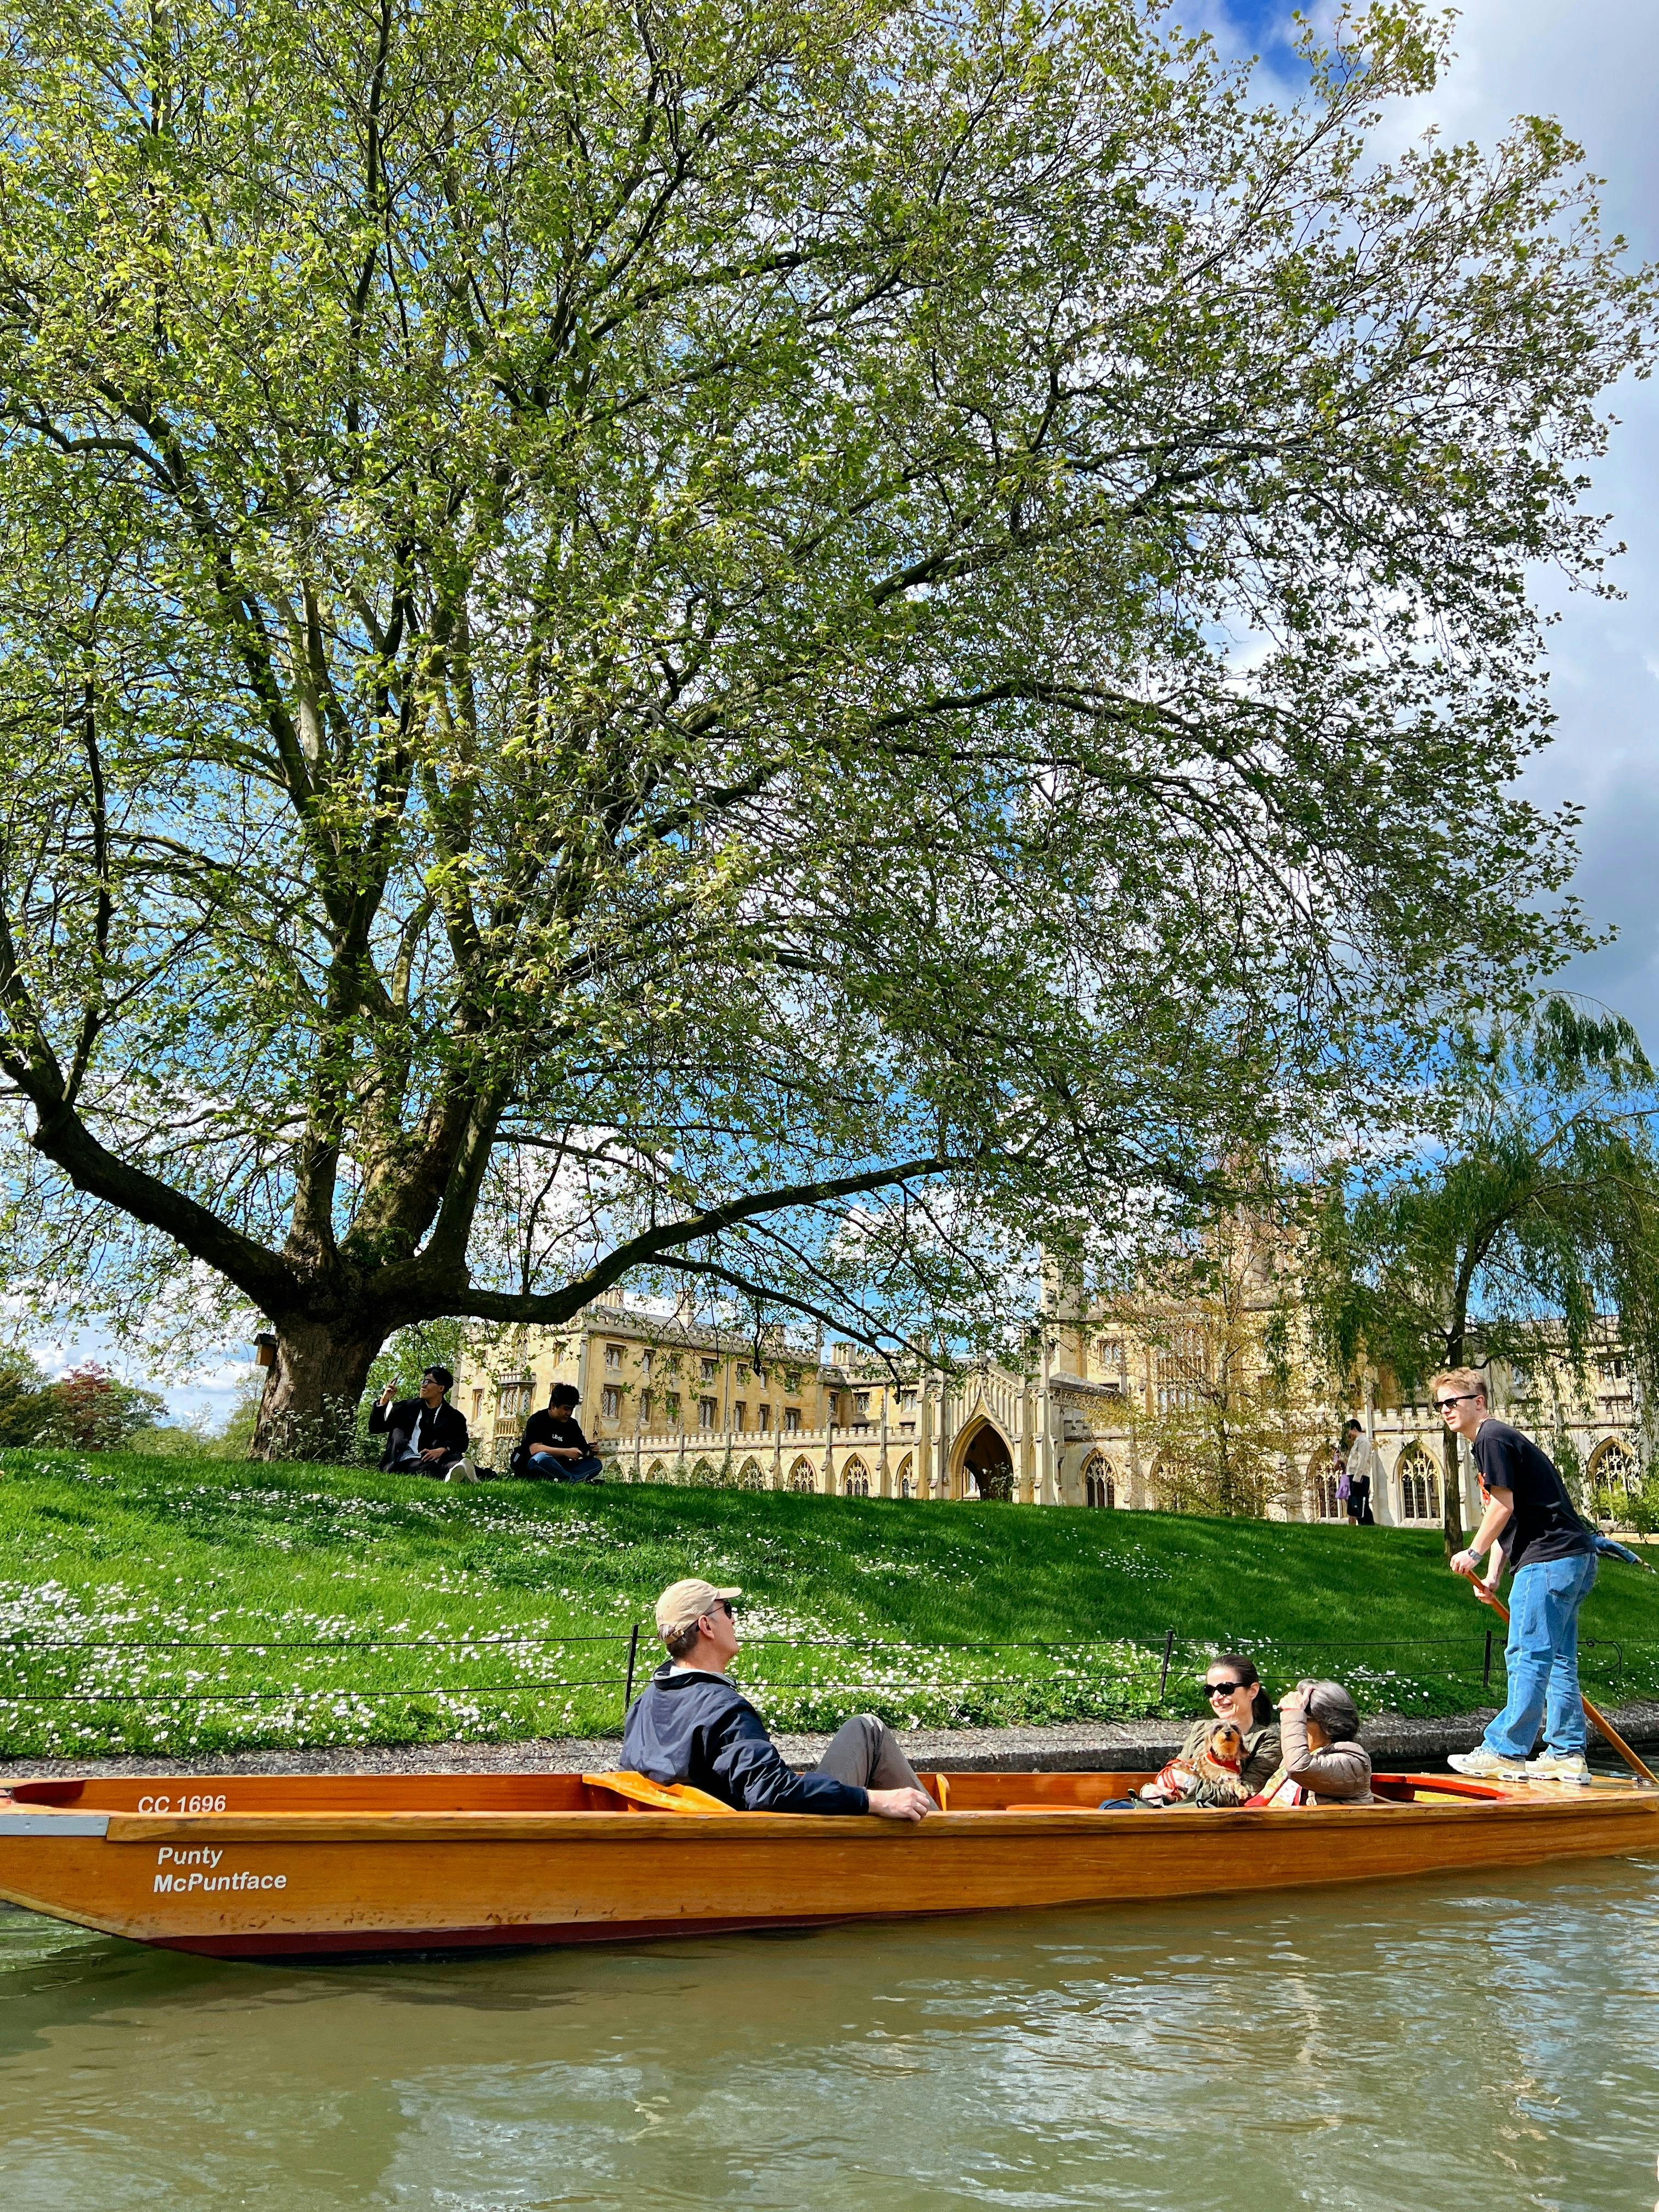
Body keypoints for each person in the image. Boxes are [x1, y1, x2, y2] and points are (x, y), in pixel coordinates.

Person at [622, 1578, 935, 1820]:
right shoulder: (723, 1710)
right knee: (868, 1730)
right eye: (727, 1612)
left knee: (862, 1735)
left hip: (701, 1843)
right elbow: (769, 1790)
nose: (733, 1621)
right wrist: (874, 1800)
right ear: (706, 1626)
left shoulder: (644, 1704)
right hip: (772, 1847)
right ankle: (955, 1838)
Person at [1434, 1366, 1598, 1784]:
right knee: (1558, 1658)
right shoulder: (1494, 1444)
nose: (1446, 1410)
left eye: (1454, 1401)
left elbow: (1501, 1507)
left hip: (1548, 1560)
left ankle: (1506, 1750)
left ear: (1479, 1402)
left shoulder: (1490, 1437)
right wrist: (1493, 1579)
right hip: (1573, 1558)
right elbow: (1510, 1522)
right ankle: (1566, 1754)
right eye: (1441, 1405)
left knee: (1526, 1654)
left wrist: (1473, 1551)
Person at [1139, 1654, 1282, 1804]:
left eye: (1226, 1689)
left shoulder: (1266, 1742)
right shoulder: (1201, 1729)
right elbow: (1176, 1770)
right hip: (1172, 1809)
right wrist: (1150, 1790)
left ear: (1253, 1691)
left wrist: (1189, 1783)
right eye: (1210, 1690)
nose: (1216, 1697)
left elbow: (1242, 1798)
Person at [1257, 1678, 1376, 1805]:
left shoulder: (1353, 1762)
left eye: (1303, 1720)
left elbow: (1299, 1768)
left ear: (1329, 1723)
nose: (1297, 1727)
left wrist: (1293, 1714)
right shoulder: (1300, 1756)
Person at [370, 1366, 471, 1479]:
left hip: (437, 1460)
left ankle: (460, 1472)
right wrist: (384, 1401)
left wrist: (442, 1450)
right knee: (429, 1469)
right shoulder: (405, 1408)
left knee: (454, 1460)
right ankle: (458, 1476)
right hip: (406, 1461)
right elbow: (376, 1428)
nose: (423, 1385)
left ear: (441, 1388)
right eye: (423, 1381)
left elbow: (462, 1442)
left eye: (428, 1382)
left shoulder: (454, 1417)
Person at [515, 1383, 603, 1482]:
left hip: (562, 1467)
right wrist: (566, 1452)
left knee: (595, 1463)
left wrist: (591, 1452)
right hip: (536, 1465)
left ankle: (568, 1479)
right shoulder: (537, 1419)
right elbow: (535, 1449)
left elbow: (582, 1451)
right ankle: (573, 1480)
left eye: (572, 1409)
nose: (569, 1413)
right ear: (553, 1405)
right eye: (566, 1409)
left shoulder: (572, 1425)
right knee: (541, 1458)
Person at [1342, 1419, 1376, 1526]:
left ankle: (1369, 1525)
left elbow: (1362, 1461)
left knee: (1362, 1504)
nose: (1349, 1436)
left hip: (1360, 1478)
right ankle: (1363, 1525)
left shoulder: (1363, 1442)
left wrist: (1357, 1479)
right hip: (1355, 1477)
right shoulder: (1358, 1442)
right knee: (1358, 1504)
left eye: (1349, 1432)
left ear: (1354, 1429)